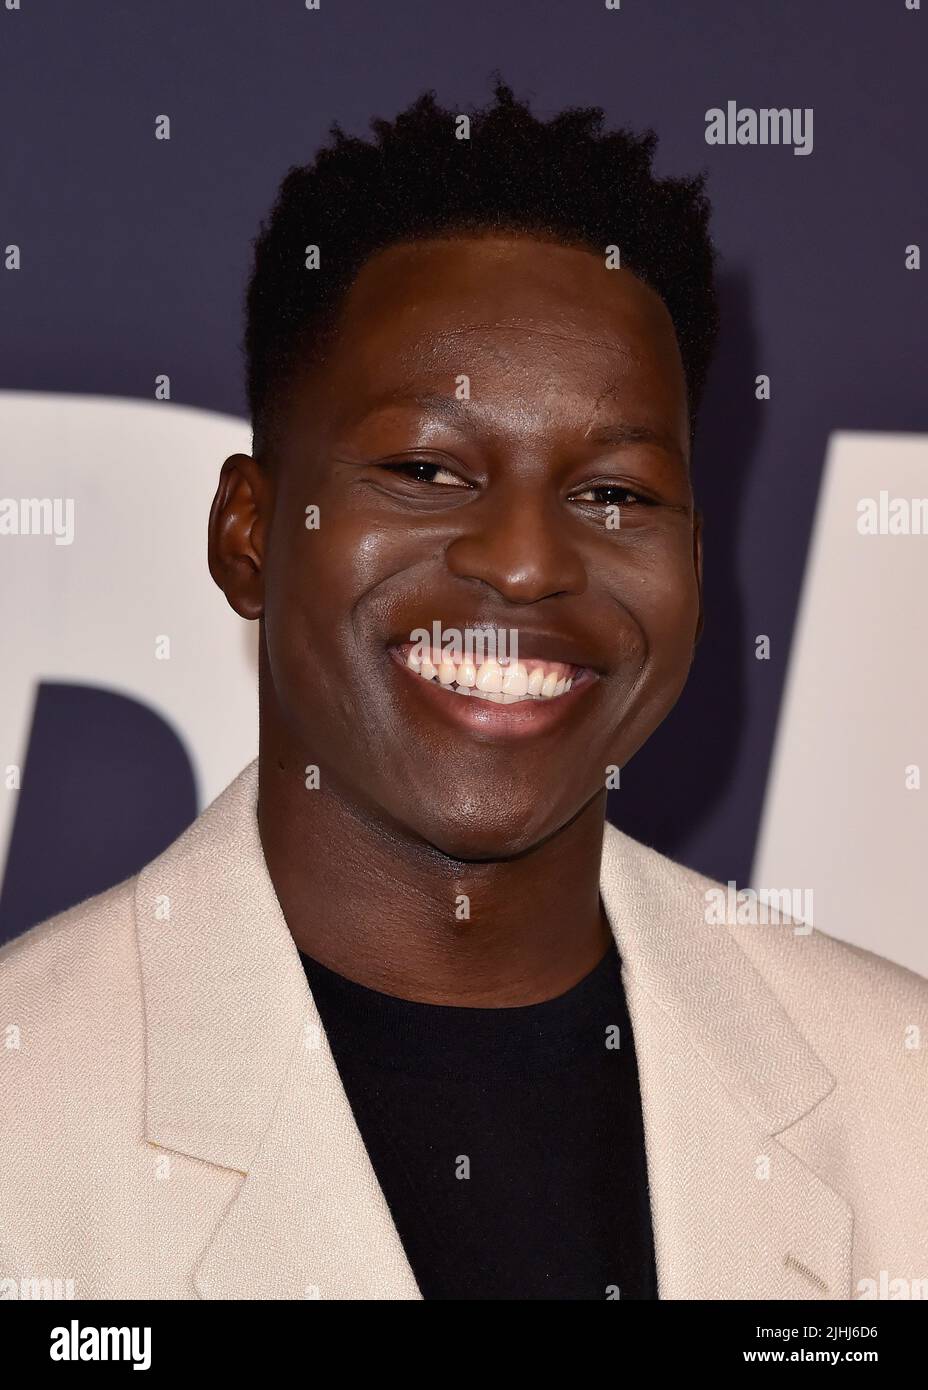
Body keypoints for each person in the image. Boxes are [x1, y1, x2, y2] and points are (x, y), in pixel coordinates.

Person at [1, 82, 925, 1303]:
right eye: (427, 469)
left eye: (614, 493)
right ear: (247, 532)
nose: (530, 559)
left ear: (693, 563)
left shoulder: (895, 1095)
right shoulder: (29, 1112)